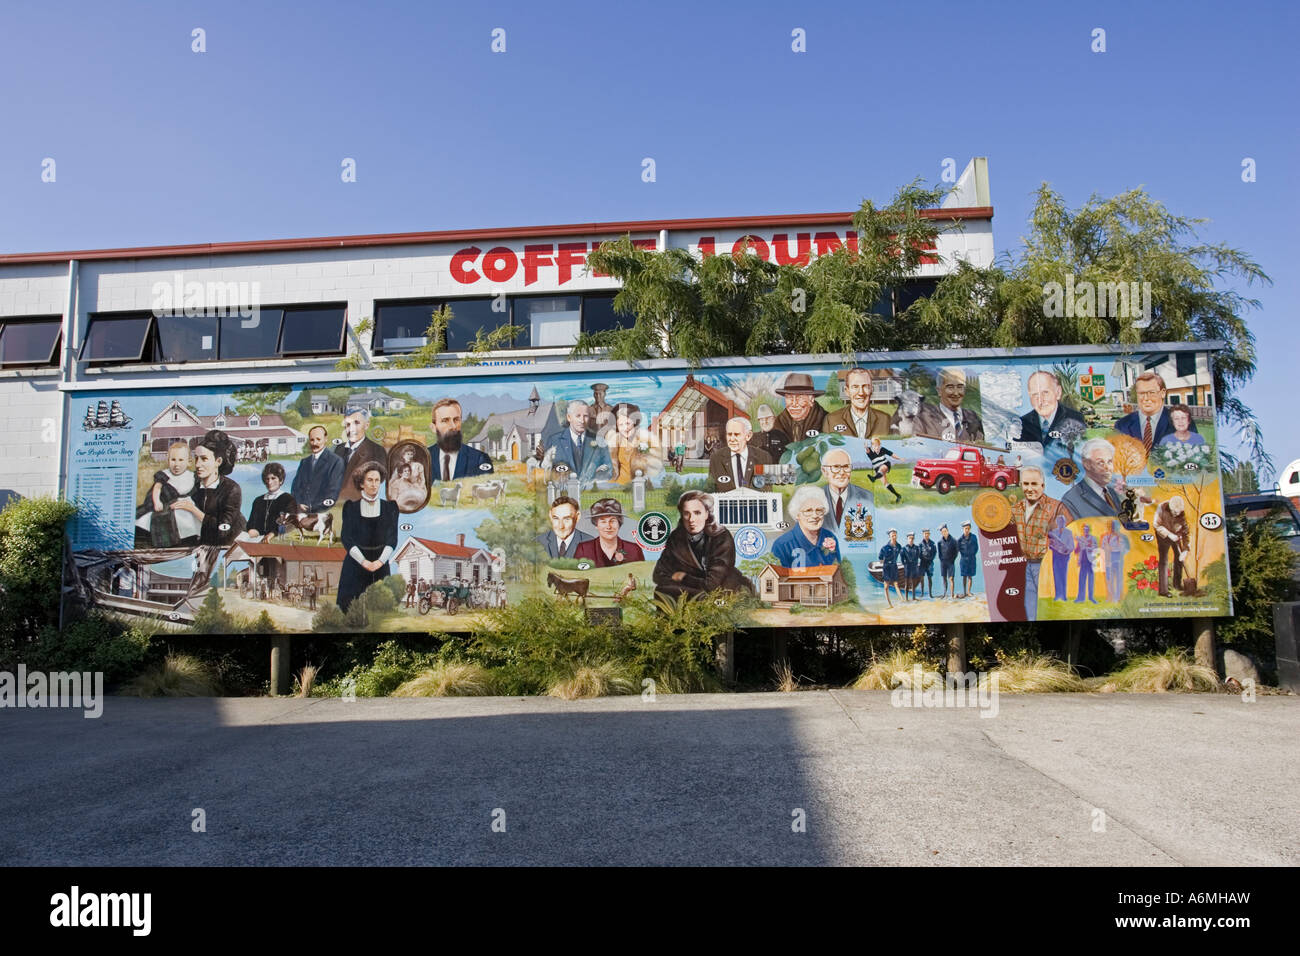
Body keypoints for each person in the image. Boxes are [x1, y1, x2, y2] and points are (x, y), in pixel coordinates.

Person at [652, 491, 754, 600]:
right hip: (693, 589)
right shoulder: (676, 538)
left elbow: (711, 584)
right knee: (661, 591)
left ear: (707, 513)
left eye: (697, 513)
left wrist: (683, 577)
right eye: (686, 513)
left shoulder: (721, 537)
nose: (691, 519)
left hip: (723, 590)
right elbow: (658, 575)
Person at [336, 463, 399, 613]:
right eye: (370, 480)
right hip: (355, 564)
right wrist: (364, 562)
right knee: (351, 611)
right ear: (361, 484)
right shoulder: (350, 507)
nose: (374, 484)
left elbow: (392, 539)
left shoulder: (390, 508)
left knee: (380, 612)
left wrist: (379, 562)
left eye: (377, 480)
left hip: (380, 565)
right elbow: (346, 538)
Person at [1008, 466, 1068, 620]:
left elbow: (1066, 539)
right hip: (1022, 566)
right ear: (1021, 485)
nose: (1029, 488)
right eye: (1025, 484)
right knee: (1029, 608)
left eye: (1034, 484)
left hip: (1045, 565)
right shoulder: (1015, 509)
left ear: (1043, 486)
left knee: (1049, 606)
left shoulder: (1056, 507)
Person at [171, 429, 245, 547]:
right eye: (196, 459)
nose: (198, 465)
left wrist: (193, 510)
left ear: (218, 461)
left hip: (228, 544)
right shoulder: (192, 484)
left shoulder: (231, 489)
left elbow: (223, 529)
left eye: (204, 459)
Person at [1115, 370, 1199, 453]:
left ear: (1162, 393)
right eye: (1141, 393)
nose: (1146, 398)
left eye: (1151, 392)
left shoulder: (1182, 422)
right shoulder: (1122, 425)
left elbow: (1194, 457)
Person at [135, 440, 200, 548]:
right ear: (168, 460)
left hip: (186, 504)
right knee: (161, 518)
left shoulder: (191, 475)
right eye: (173, 460)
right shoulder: (165, 474)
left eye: (181, 460)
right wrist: (157, 502)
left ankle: (189, 538)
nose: (176, 464)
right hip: (168, 503)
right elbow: (157, 489)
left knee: (189, 520)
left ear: (188, 462)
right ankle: (167, 542)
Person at [899, 367, 985, 443]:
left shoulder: (972, 416)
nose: (956, 393)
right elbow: (919, 448)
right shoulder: (923, 419)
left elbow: (981, 444)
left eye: (960, 387)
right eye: (950, 387)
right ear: (939, 391)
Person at [545, 399, 612, 489]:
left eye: (585, 416)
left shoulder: (599, 441)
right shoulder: (554, 441)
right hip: (563, 494)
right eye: (578, 416)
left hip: (590, 494)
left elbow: (608, 467)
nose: (582, 420)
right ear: (569, 417)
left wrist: (598, 477)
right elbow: (547, 470)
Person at [1018, 370, 1086, 458]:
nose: (1040, 400)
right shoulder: (1022, 424)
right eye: (1035, 394)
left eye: (1045, 392)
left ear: (1058, 392)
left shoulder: (1075, 418)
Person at [772, 485, 841, 568]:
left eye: (819, 510)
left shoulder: (829, 537)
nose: (815, 515)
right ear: (797, 514)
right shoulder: (782, 545)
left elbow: (837, 571)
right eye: (808, 511)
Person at [1062, 437, 1127, 521]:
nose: (1107, 468)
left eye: (1109, 462)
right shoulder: (1071, 499)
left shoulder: (1114, 492)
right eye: (1100, 462)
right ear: (1086, 464)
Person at [428, 398, 493, 481]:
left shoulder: (479, 459)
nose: (453, 426)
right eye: (445, 420)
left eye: (456, 420)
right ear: (433, 427)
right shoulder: (422, 458)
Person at [334, 406, 388, 502]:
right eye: (348, 424)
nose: (351, 429)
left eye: (356, 423)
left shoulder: (376, 450)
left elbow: (374, 486)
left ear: (366, 425)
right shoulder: (339, 449)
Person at [573, 498, 645, 567]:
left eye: (612, 521)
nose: (608, 526)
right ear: (596, 525)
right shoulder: (583, 550)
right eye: (603, 521)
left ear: (619, 524)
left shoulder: (634, 550)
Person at [818, 447, 875, 533]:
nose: (842, 472)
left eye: (846, 467)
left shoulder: (868, 497)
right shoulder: (814, 498)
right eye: (836, 467)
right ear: (824, 471)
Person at [823, 368, 890, 440]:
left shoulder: (885, 419)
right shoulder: (831, 420)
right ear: (847, 391)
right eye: (855, 387)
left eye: (865, 386)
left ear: (871, 389)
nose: (861, 393)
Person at [708, 416, 773, 490]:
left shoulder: (763, 457)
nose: (732, 439)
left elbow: (767, 491)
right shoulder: (716, 458)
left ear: (748, 436)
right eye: (729, 434)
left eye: (736, 434)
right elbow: (711, 490)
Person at [292, 424, 345, 513]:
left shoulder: (336, 461)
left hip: (322, 512)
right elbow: (295, 488)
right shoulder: (304, 462)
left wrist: (313, 508)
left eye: (318, 439)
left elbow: (333, 492)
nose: (315, 443)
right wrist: (298, 503)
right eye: (312, 440)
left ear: (325, 439)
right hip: (301, 511)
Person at [606, 403, 662, 485]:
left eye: (628, 423)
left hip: (640, 482)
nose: (625, 428)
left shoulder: (644, 441)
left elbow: (654, 467)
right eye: (620, 425)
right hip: (620, 482)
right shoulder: (615, 443)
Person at [242, 462, 298, 544]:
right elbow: (251, 524)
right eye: (267, 479)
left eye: (273, 478)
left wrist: (273, 533)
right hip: (257, 542)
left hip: (278, 541)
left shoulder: (288, 499)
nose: (269, 482)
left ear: (281, 480)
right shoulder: (258, 501)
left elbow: (290, 524)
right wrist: (252, 531)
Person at [1153, 495, 1191, 597]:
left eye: (1178, 513)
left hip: (1176, 536)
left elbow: (1186, 532)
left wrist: (1185, 550)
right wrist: (1169, 534)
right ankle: (1163, 591)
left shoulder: (1182, 513)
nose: (1176, 514)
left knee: (1179, 559)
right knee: (1164, 560)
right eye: (1174, 512)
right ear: (1170, 508)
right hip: (1163, 535)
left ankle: (1177, 585)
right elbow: (1156, 525)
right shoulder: (1161, 507)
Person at [774, 373, 827, 443]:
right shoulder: (778, 423)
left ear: (811, 400)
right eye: (789, 397)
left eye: (800, 397)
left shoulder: (826, 421)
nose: (794, 404)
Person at [865, 437, 905, 504]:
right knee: (885, 483)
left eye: (877, 445)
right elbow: (867, 450)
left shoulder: (882, 449)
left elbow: (891, 454)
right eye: (874, 445)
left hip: (885, 464)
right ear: (872, 446)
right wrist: (866, 447)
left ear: (879, 445)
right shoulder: (869, 450)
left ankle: (874, 478)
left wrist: (900, 458)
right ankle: (898, 495)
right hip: (877, 469)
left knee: (882, 468)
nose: (876, 447)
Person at [1100, 520, 1130, 602]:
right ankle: (1110, 597)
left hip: (1117, 558)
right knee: (1109, 579)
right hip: (1108, 559)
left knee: (1118, 578)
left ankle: (1117, 597)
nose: (1111, 528)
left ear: (1118, 526)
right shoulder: (1105, 537)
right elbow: (1102, 547)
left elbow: (1125, 548)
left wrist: (1115, 551)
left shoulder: (1122, 537)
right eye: (1109, 526)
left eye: (1113, 526)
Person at [1047, 515, 1075, 602]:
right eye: (1059, 521)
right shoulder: (1053, 532)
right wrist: (1053, 546)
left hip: (1065, 557)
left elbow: (1072, 546)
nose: (1060, 523)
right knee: (1056, 575)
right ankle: (1057, 595)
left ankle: (1064, 595)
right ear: (1057, 522)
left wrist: (1066, 550)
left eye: (1062, 521)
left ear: (1065, 522)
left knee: (1063, 576)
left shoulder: (1069, 532)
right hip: (1056, 556)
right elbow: (1050, 545)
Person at [1073, 523, 1099, 604]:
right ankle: (1080, 598)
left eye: (1087, 529)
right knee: (1082, 580)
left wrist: (1089, 547)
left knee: (1091, 580)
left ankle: (1091, 597)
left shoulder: (1093, 538)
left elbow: (1096, 548)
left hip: (1090, 561)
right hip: (1083, 561)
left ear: (1089, 530)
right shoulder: (1080, 538)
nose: (1085, 531)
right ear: (1082, 530)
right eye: (1084, 529)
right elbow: (1076, 551)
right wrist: (1077, 546)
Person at [878, 528, 903, 607]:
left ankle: (902, 601)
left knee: (896, 584)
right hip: (887, 567)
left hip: (894, 566)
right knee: (886, 587)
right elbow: (880, 558)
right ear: (889, 536)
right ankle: (890, 605)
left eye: (895, 535)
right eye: (892, 535)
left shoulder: (899, 546)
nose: (894, 537)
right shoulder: (885, 547)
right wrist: (885, 564)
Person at [956, 520, 979, 598]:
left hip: (972, 559)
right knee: (964, 576)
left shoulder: (974, 537)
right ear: (963, 529)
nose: (967, 530)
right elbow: (957, 550)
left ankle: (969, 592)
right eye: (965, 528)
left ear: (970, 529)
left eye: (968, 528)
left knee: (970, 576)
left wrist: (972, 554)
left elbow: (976, 547)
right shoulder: (959, 539)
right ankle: (965, 591)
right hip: (963, 560)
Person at [937, 524, 958, 598]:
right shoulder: (939, 542)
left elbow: (956, 552)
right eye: (942, 532)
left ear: (948, 531)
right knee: (944, 578)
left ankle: (952, 594)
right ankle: (945, 593)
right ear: (941, 533)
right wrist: (941, 560)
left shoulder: (954, 540)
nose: (944, 533)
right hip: (943, 563)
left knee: (951, 578)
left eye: (945, 531)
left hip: (951, 562)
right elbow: (939, 553)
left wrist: (952, 560)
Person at [900, 532, 921, 601]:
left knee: (914, 584)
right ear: (907, 539)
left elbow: (918, 557)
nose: (911, 540)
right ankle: (906, 599)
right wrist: (906, 565)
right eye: (909, 538)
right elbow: (902, 559)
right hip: (907, 568)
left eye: (912, 538)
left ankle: (913, 598)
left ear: (913, 539)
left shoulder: (917, 548)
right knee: (907, 584)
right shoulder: (903, 549)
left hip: (914, 568)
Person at [918, 528, 937, 598]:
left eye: (928, 534)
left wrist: (930, 559)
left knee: (930, 578)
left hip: (930, 563)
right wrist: (923, 558)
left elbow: (935, 552)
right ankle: (922, 593)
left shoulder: (932, 543)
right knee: (922, 578)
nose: (926, 535)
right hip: (923, 563)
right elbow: (919, 554)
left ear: (929, 534)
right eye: (925, 534)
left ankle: (930, 593)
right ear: (923, 534)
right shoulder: (920, 544)